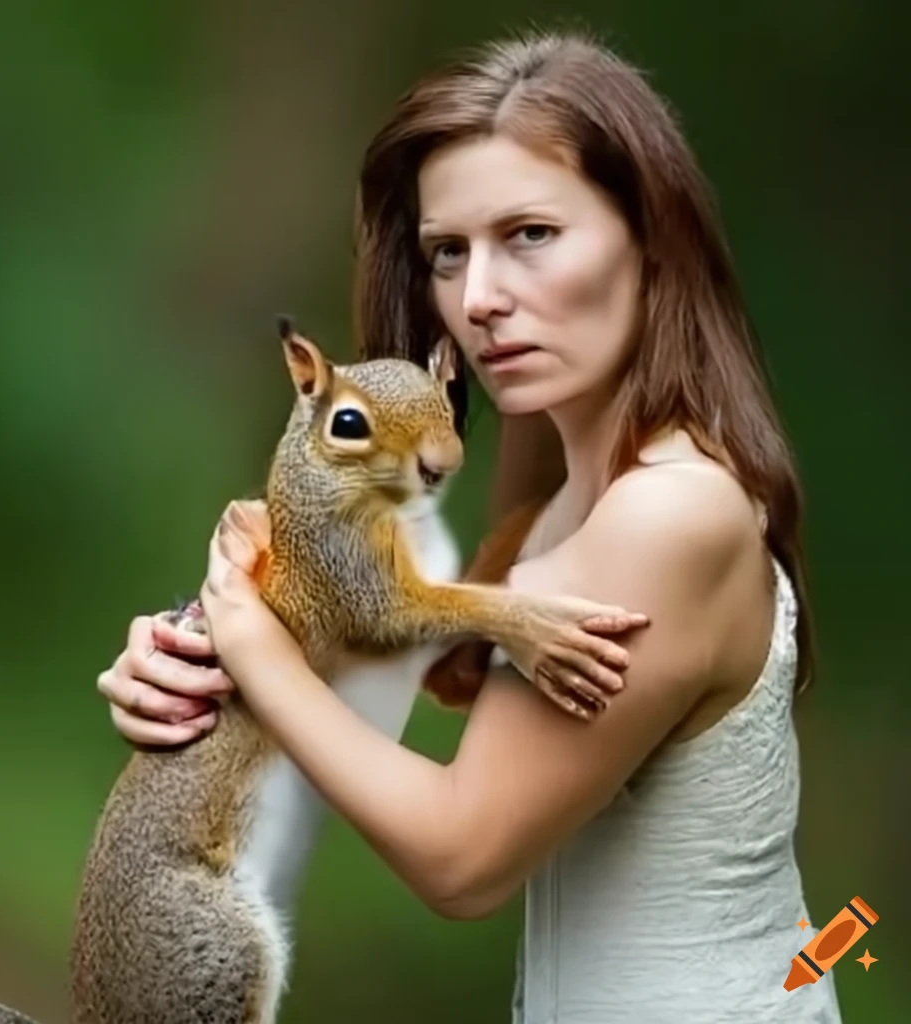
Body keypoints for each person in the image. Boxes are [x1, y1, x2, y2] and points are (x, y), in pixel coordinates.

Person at [96, 30, 841, 1023]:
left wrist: (250, 647)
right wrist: (198, 678)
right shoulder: (563, 473)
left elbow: (461, 856)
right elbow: (434, 667)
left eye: (530, 233)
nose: (480, 299)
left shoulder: (667, 514)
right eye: (448, 250)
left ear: (651, 241)